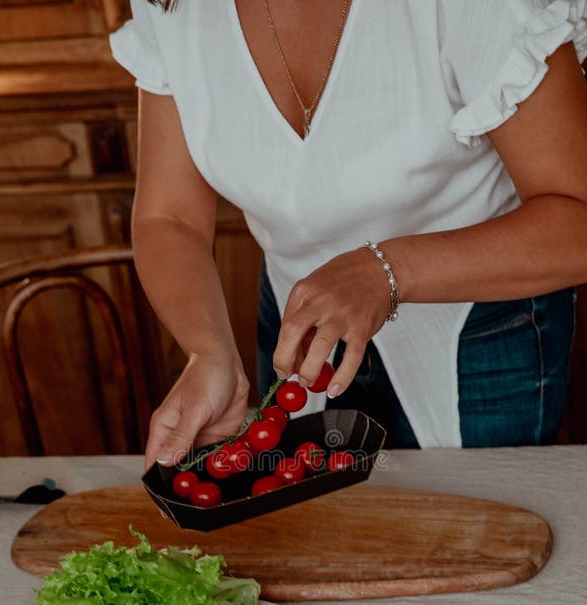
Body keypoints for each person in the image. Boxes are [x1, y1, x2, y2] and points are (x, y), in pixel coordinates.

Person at [109, 0, 587, 468]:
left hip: (480, 326)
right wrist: (207, 349)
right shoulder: (167, 6)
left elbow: (578, 218)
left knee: (477, 536)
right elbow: (170, 217)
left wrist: (384, 271)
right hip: (296, 325)